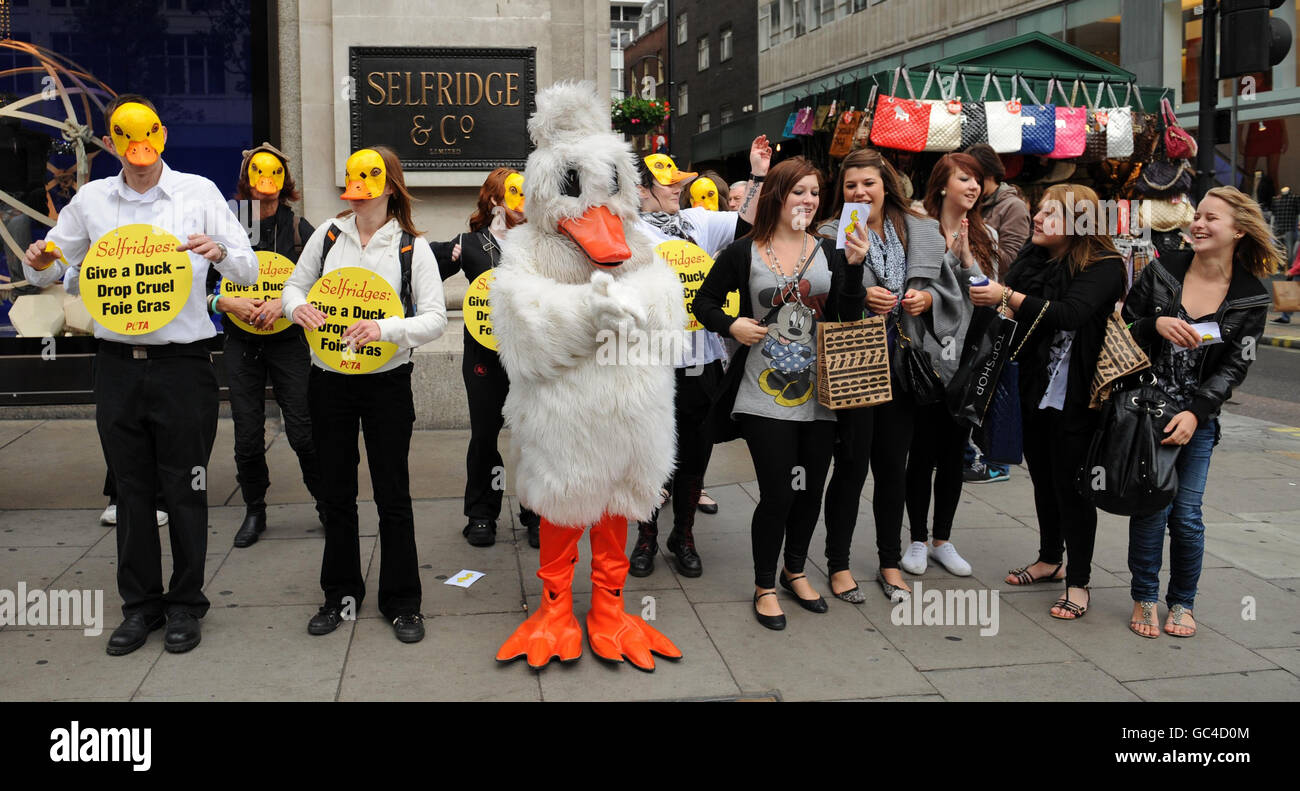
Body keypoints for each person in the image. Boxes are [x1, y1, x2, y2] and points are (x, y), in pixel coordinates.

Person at [22, 94, 258, 655]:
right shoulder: (90, 200)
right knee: (130, 492)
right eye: (125, 140)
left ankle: (185, 605)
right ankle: (140, 607)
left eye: (147, 138)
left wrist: (219, 250)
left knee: (185, 487)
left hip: (183, 365)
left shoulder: (199, 193)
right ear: (110, 144)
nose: (138, 151)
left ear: (163, 137)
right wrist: (43, 264)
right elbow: (56, 271)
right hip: (116, 366)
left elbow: (248, 267)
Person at [281, 146, 447, 644]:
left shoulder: (411, 247)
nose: (356, 199)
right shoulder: (328, 236)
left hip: (386, 385)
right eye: (351, 189)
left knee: (392, 494)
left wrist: (387, 329)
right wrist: (297, 310)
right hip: (328, 379)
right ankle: (339, 595)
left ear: (390, 189)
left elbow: (436, 319)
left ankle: (403, 602)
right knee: (337, 494)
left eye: (366, 188)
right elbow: (294, 286)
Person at [695, 156, 861, 630]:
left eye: (814, 192)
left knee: (809, 491)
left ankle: (795, 571)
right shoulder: (744, 251)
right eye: (798, 192)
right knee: (778, 492)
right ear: (778, 196)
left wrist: (854, 265)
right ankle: (764, 584)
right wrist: (732, 324)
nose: (807, 200)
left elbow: (847, 316)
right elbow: (702, 300)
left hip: (821, 392)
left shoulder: (830, 249)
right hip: (762, 391)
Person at [1121, 187, 1275, 638]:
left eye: (1212, 219)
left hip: (1197, 420)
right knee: (1150, 510)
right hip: (1147, 412)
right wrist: (1155, 324)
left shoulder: (1250, 296)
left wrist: (1196, 414)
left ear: (1238, 230)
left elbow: (1235, 365)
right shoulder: (1163, 271)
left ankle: (1183, 602)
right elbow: (1124, 326)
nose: (1199, 225)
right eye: (1198, 216)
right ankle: (1144, 598)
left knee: (1186, 515)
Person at [969, 184, 1126, 620]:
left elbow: (1070, 314)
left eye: (1051, 214)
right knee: (1043, 477)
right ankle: (1049, 559)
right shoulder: (1035, 260)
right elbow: (1016, 315)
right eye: (1040, 210)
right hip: (1034, 387)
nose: (1038, 218)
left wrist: (1006, 296)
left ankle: (1079, 582)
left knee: (1073, 487)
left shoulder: (1105, 264)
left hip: (1079, 394)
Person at [816, 148, 957, 603]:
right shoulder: (834, 232)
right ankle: (838, 564)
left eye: (868, 184)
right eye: (851, 185)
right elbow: (830, 300)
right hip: (857, 358)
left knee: (893, 468)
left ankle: (889, 561)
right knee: (852, 466)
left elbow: (948, 287)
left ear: (886, 185)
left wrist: (926, 301)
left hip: (907, 361)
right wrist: (862, 291)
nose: (860, 192)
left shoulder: (918, 227)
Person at [627, 141, 767, 579]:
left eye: (679, 184)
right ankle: (646, 537)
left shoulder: (698, 222)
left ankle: (682, 535)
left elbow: (749, 219)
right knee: (650, 457)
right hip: (653, 364)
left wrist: (758, 175)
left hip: (703, 360)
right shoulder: (626, 232)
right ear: (642, 189)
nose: (677, 190)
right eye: (667, 185)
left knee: (694, 455)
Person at [215, 143, 324, 548]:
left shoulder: (298, 228)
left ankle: (325, 504)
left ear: (285, 182)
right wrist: (225, 303)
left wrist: (286, 303)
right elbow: (205, 283)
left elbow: (324, 280)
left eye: (275, 175)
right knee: (246, 433)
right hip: (241, 342)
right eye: (258, 174)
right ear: (246, 181)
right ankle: (255, 508)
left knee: (302, 430)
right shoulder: (231, 226)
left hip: (287, 342)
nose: (267, 184)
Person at [428, 167, 540, 549]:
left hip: (531, 356)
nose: (524, 202)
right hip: (484, 357)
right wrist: (445, 253)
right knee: (485, 435)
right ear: (495, 199)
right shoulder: (472, 244)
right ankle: (482, 513)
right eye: (515, 194)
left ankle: (535, 511)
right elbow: (422, 272)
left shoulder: (541, 242)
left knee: (532, 435)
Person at [903, 153, 998, 579]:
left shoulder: (984, 234)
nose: (974, 186)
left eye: (977, 180)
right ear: (943, 184)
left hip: (966, 362)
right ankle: (917, 540)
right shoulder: (916, 227)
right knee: (921, 454)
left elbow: (986, 297)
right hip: (922, 357)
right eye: (965, 178)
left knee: (954, 454)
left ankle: (943, 538)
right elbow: (909, 287)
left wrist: (965, 260)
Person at [963, 142, 1029, 484]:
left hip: (999, 306)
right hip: (973, 305)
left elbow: (1010, 263)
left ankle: (997, 461)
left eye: (972, 177)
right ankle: (969, 454)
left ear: (987, 175)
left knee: (994, 385)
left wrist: (975, 242)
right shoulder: (978, 206)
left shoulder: (1012, 206)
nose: (968, 185)